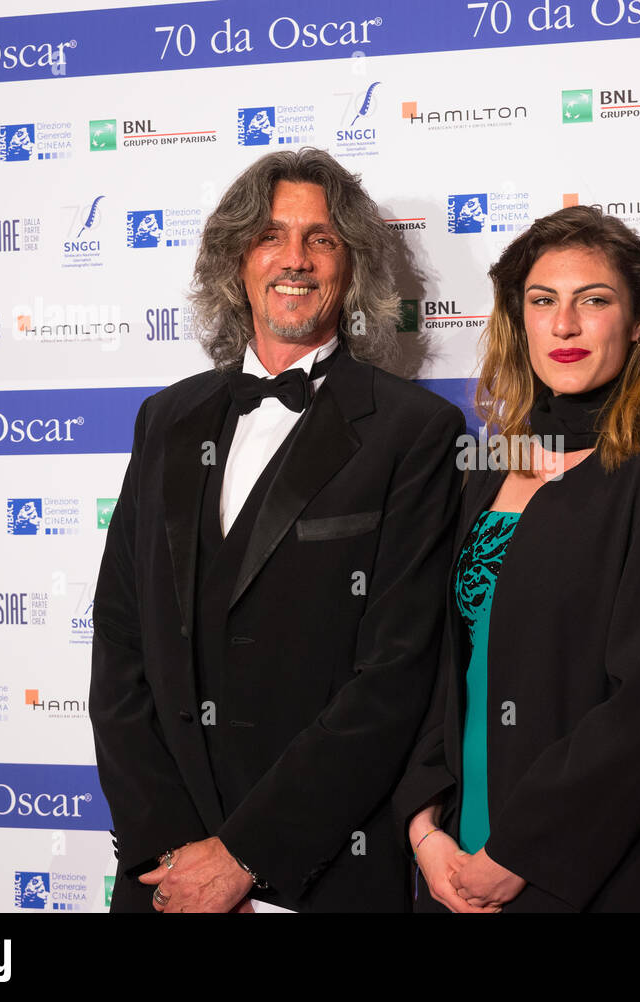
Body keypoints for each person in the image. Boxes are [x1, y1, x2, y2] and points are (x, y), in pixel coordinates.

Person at [90, 149, 465, 913]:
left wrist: (245, 857)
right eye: (270, 235)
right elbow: (120, 644)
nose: (294, 259)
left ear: (352, 267)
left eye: (321, 239)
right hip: (167, 882)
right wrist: (172, 853)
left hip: (320, 876)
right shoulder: (165, 419)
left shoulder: (414, 431)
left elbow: (394, 677)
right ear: (236, 261)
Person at [395, 205, 640, 912]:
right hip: (456, 859)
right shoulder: (488, 470)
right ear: (516, 321)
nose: (564, 326)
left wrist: (518, 853)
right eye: (542, 302)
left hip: (585, 871)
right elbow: (438, 667)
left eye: (594, 301)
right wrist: (422, 827)